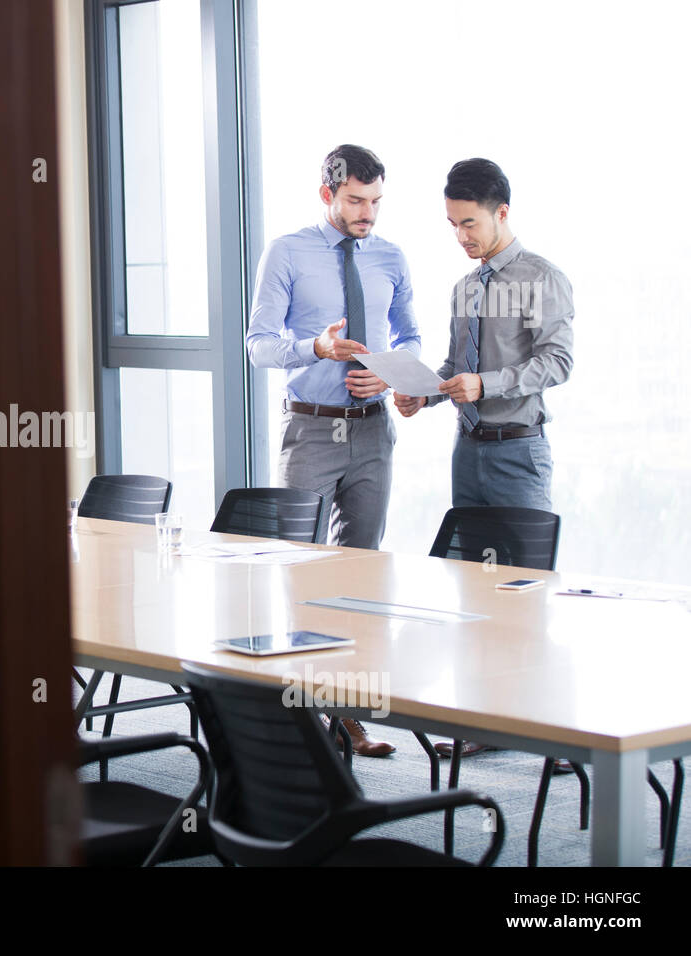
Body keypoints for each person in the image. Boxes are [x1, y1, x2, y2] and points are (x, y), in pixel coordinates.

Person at [394, 158, 574, 762]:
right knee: (471, 591)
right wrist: (424, 389)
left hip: (519, 452)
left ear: (502, 212)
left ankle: (545, 723)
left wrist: (488, 384)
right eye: (452, 225)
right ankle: (482, 722)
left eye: (469, 223)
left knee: (524, 591)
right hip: (466, 453)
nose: (462, 237)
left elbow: (557, 363)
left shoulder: (541, 278)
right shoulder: (464, 287)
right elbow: (454, 366)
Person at [247, 144, 421, 757]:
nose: (366, 213)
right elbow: (259, 346)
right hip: (312, 430)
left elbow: (409, 333)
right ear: (328, 195)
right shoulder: (288, 251)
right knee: (298, 571)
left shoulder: (390, 257)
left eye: (375, 202)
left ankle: (347, 716)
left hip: (372, 430)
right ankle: (290, 722)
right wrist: (315, 349)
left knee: (360, 574)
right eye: (355, 200)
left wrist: (393, 377)